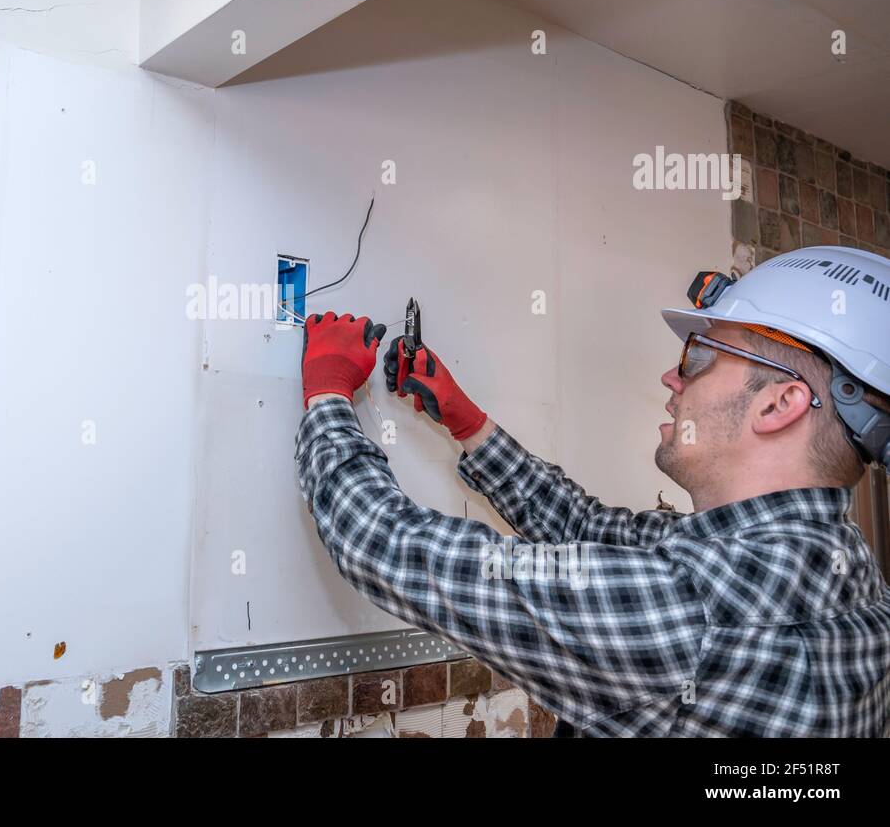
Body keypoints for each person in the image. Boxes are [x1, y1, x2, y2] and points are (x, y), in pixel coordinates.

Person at [296, 245, 890, 736]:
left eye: (699, 356)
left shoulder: (689, 608)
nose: (671, 376)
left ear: (779, 403)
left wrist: (326, 393)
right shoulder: (847, 572)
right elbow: (589, 531)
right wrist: (467, 421)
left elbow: (385, 546)